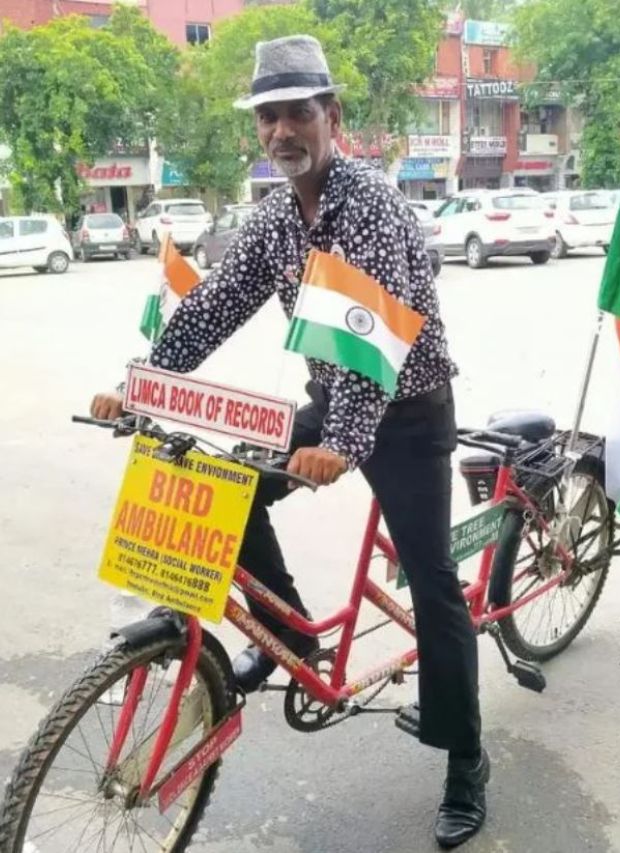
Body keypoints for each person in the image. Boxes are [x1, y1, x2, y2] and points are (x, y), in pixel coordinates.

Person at [91, 35, 488, 849]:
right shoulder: (274, 219)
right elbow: (210, 308)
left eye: (297, 113)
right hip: (328, 401)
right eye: (269, 117)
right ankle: (295, 638)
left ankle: (466, 756)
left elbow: (371, 340)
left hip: (406, 414)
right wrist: (138, 385)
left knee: (433, 584)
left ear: (330, 116)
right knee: (223, 494)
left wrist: (343, 444)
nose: (281, 132)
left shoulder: (369, 203)